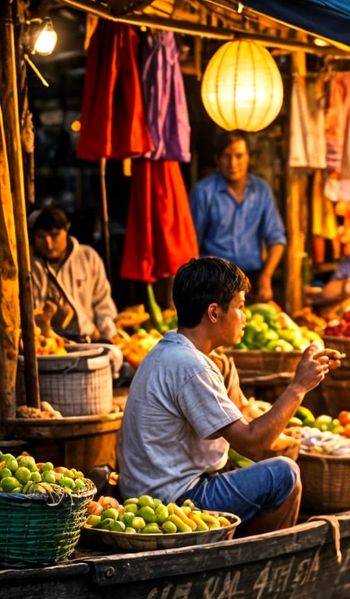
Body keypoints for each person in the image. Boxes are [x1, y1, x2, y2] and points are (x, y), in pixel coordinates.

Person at [118, 257, 336, 535]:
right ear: (214, 312)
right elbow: (253, 444)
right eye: (240, 307)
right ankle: (253, 554)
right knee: (285, 473)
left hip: (150, 493)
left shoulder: (171, 350)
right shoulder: (190, 365)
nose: (245, 317)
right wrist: (298, 387)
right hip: (171, 502)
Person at [190, 132, 287, 304]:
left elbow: (277, 240)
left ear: (249, 158)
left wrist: (266, 276)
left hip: (252, 280)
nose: (233, 163)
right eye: (226, 156)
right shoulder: (203, 191)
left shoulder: (262, 190)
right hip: (214, 280)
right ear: (218, 159)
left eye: (239, 156)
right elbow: (192, 242)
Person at [28, 204, 117, 343]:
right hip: (51, 343)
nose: (48, 244)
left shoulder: (88, 257)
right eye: (41, 236)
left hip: (90, 339)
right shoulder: (29, 266)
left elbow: (102, 303)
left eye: (55, 235)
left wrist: (107, 336)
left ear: (66, 230)